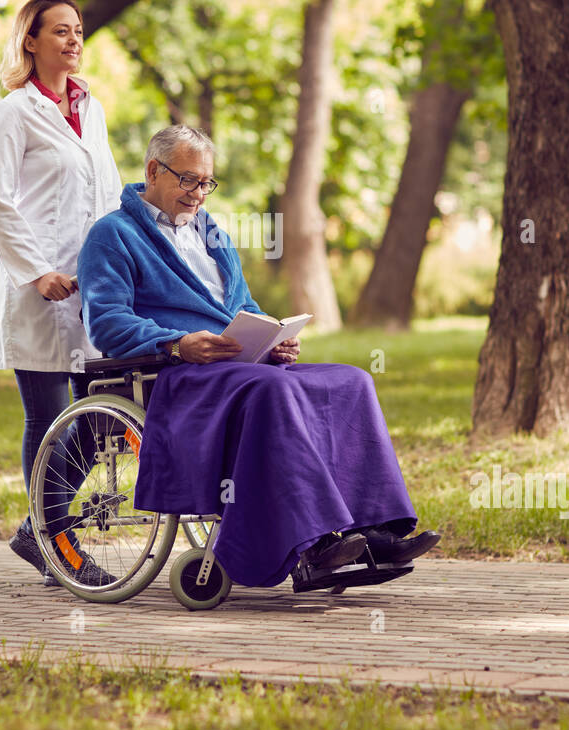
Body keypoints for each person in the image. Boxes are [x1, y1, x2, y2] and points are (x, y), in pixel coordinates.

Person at [78, 124, 440, 590]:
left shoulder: (213, 234)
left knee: (350, 380)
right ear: (153, 170)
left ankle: (375, 530)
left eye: (206, 182)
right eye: (188, 180)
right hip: (177, 374)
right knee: (271, 390)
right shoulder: (113, 235)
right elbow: (106, 323)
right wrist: (176, 343)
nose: (199, 194)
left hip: (239, 368)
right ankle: (311, 544)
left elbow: (242, 307)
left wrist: (273, 335)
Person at [0, 0, 122, 587]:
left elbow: (111, 192)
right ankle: (55, 542)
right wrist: (37, 271)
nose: (72, 39)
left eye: (78, 29)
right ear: (30, 41)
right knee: (47, 418)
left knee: (106, 414)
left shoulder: (91, 108)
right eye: (58, 31)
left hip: (91, 287)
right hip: (37, 288)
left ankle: (36, 528)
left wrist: (126, 264)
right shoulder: (14, 111)